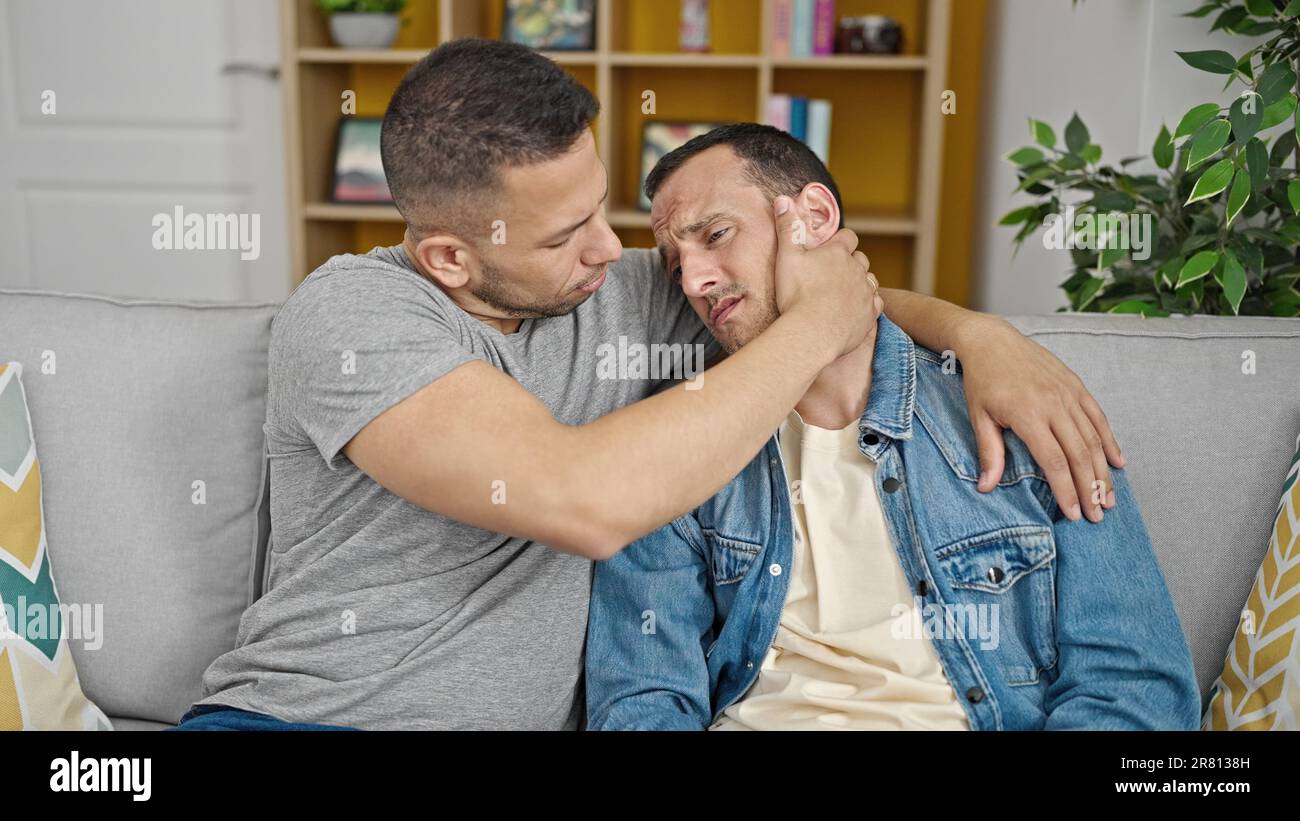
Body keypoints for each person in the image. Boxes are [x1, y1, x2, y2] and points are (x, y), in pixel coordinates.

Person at [178, 40, 1126, 731]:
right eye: (563, 234)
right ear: (450, 258)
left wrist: (982, 332)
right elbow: (583, 499)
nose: (611, 249)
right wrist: (817, 327)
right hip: (297, 719)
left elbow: (806, 289)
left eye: (601, 207)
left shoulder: (623, 290)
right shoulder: (353, 318)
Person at [584, 124, 1200, 731]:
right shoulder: (675, 445)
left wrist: (978, 334)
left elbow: (1134, 689)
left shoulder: (1017, 406)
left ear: (815, 217)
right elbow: (643, 699)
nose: (694, 281)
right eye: (675, 269)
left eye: (716, 235)